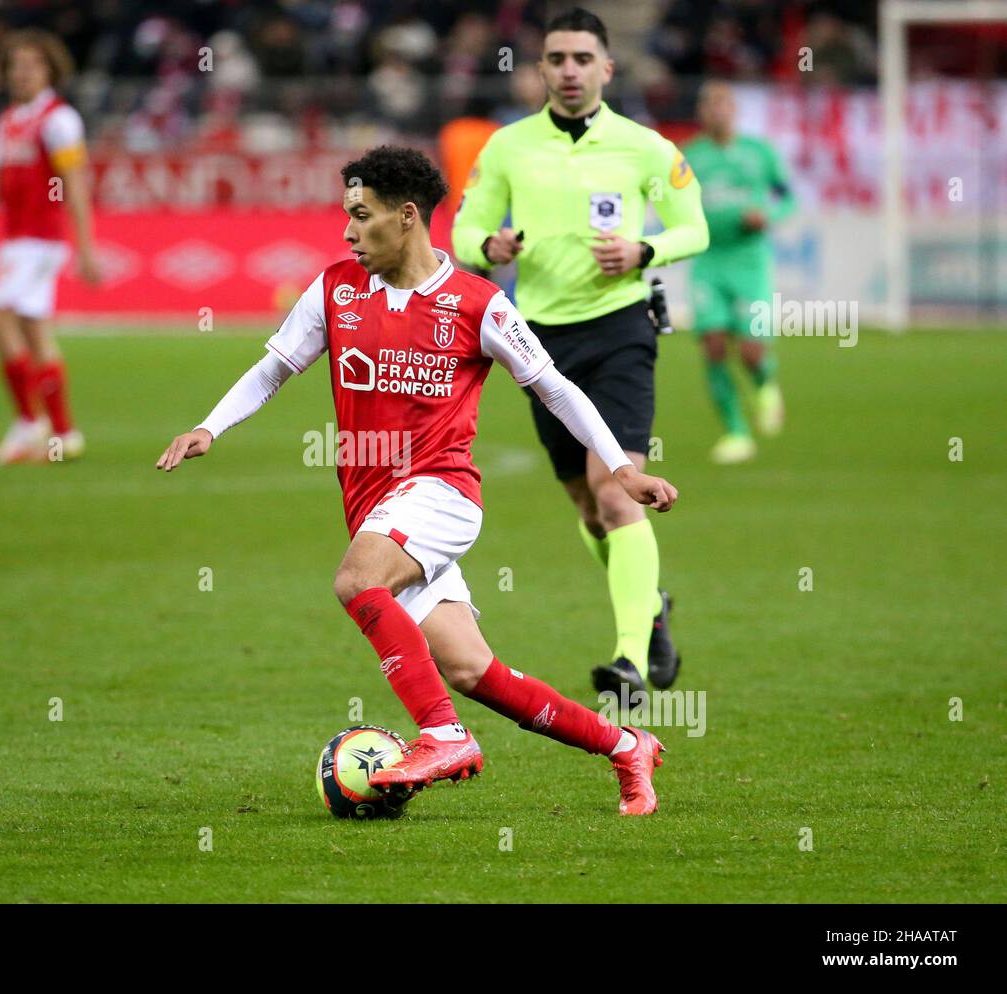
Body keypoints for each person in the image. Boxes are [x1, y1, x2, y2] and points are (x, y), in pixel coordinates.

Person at [158, 146, 678, 815]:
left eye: (361, 215)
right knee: (472, 671)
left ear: (406, 217)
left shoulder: (476, 304)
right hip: (377, 507)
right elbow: (275, 368)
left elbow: (557, 390)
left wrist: (622, 468)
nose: (348, 231)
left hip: (441, 493)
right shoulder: (336, 288)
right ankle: (625, 745)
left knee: (356, 582)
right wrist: (210, 427)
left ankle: (443, 735)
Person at [452, 9, 709, 698]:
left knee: (615, 488)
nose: (569, 70)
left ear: (606, 68)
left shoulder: (644, 147)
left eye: (581, 58)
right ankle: (650, 606)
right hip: (538, 343)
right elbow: (464, 229)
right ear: (540, 68)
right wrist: (488, 248)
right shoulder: (507, 148)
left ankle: (628, 659)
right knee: (587, 506)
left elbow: (695, 228)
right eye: (557, 58)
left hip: (622, 326)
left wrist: (644, 250)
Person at [0, 28, 99, 465]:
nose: (22, 73)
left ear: (49, 70)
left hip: (41, 240)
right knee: (34, 333)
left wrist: (86, 246)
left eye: (31, 65)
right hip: (17, 242)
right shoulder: (9, 121)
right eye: (15, 66)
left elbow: (75, 181)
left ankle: (30, 422)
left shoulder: (59, 119)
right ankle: (64, 434)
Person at [685, 80, 795, 464]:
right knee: (714, 345)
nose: (716, 112)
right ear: (701, 113)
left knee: (750, 350)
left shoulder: (759, 152)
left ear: (734, 110)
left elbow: (788, 195)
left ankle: (765, 385)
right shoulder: (691, 156)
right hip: (708, 261)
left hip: (749, 261)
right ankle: (736, 432)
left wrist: (769, 215)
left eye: (723, 104)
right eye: (709, 105)